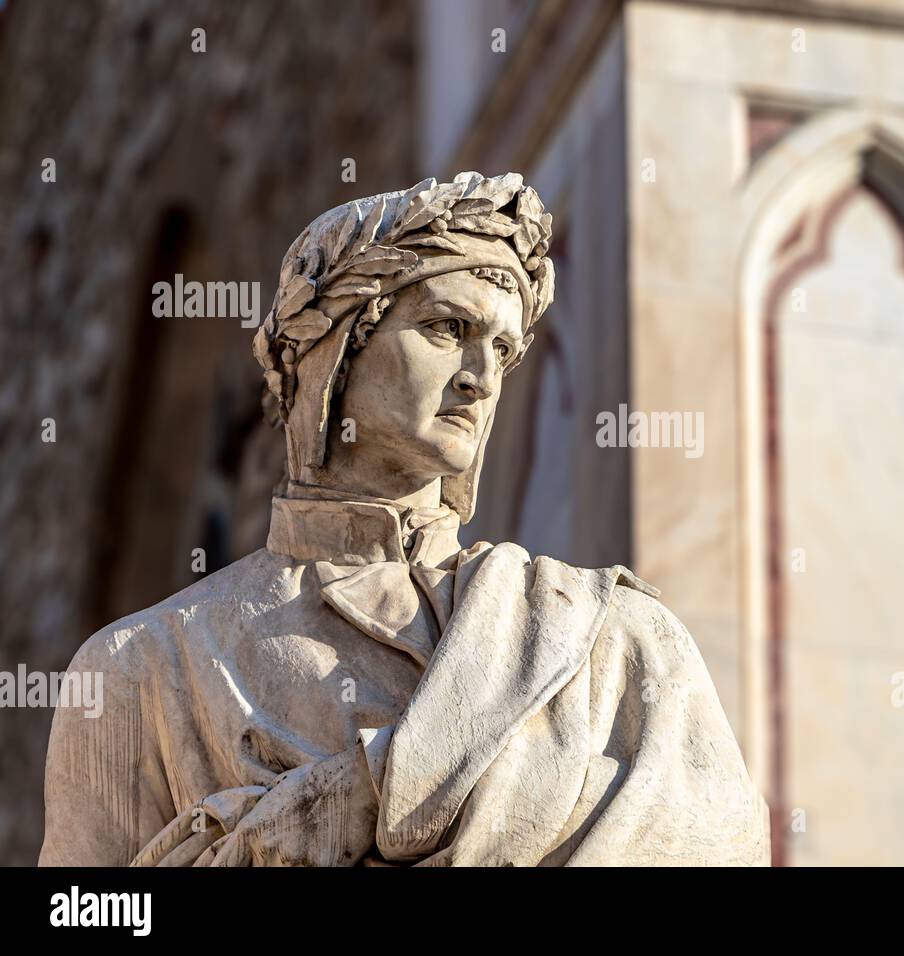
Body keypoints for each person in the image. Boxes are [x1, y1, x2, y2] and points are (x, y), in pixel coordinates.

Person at [39, 173, 770, 867]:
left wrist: (358, 798)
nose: (481, 377)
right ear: (337, 352)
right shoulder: (139, 666)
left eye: (504, 350)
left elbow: (719, 839)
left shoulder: (612, 638)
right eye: (447, 328)